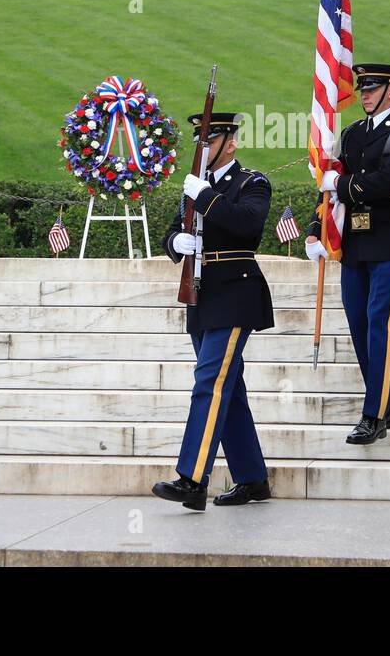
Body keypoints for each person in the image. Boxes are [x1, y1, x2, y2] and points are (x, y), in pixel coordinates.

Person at [153, 111, 274, 511]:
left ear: (231, 142)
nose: (201, 148)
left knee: (209, 380)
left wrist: (204, 197)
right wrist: (177, 243)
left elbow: (248, 224)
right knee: (228, 387)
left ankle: (192, 478)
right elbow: (171, 233)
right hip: (200, 295)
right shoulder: (195, 187)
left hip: (236, 294)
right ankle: (252, 478)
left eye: (209, 140)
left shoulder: (251, 182)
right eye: (198, 141)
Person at [305, 63, 390, 444]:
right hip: (354, 239)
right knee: (359, 324)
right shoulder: (352, 133)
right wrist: (314, 228)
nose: (366, 96)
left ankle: (373, 414)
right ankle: (389, 401)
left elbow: (388, 179)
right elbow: (330, 185)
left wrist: (341, 183)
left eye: (373, 89)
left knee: (379, 322)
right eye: (362, 89)